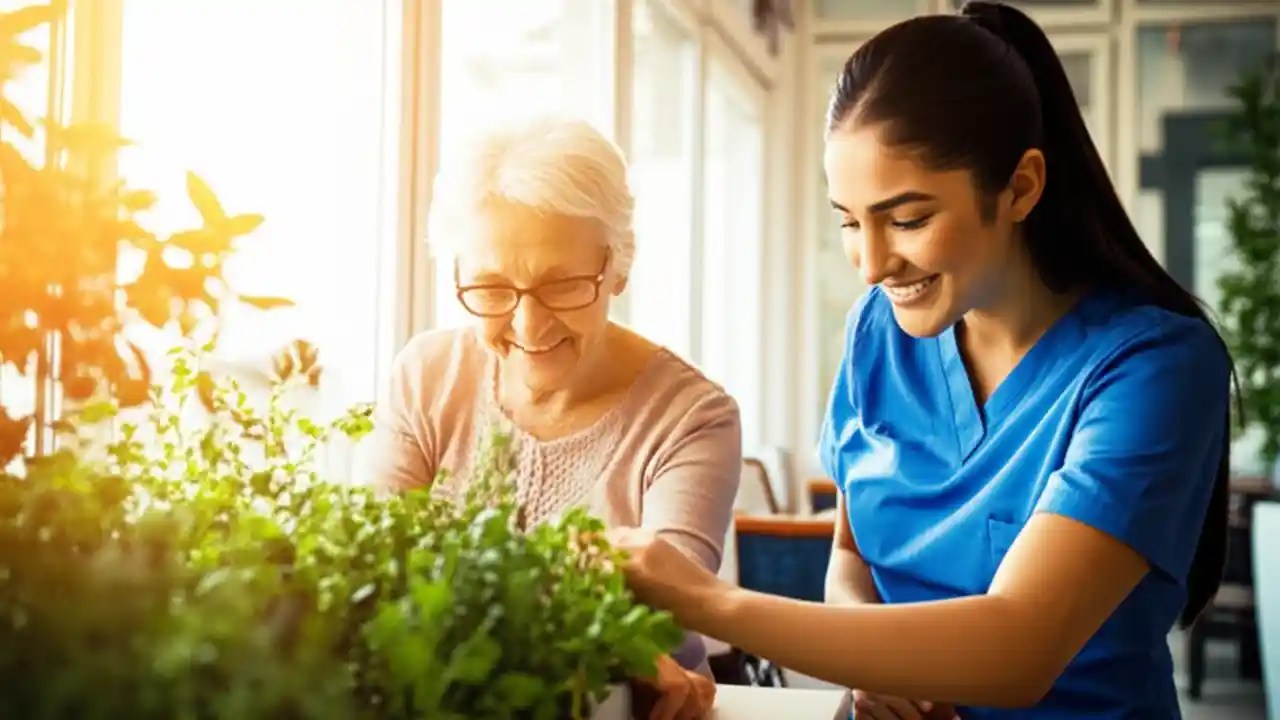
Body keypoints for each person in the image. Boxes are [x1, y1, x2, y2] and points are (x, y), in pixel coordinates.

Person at [607, 2, 1234, 719]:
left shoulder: (1153, 367)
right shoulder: (878, 332)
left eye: (908, 219)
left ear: (1021, 187)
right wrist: (874, 667)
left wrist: (707, 599)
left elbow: (1020, 646)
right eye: (849, 220)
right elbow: (852, 561)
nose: (871, 263)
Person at [364, 115, 740, 720]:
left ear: (619, 264)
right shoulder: (425, 374)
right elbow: (371, 563)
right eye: (490, 288)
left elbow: (666, 604)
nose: (528, 326)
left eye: (563, 284)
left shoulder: (692, 416)